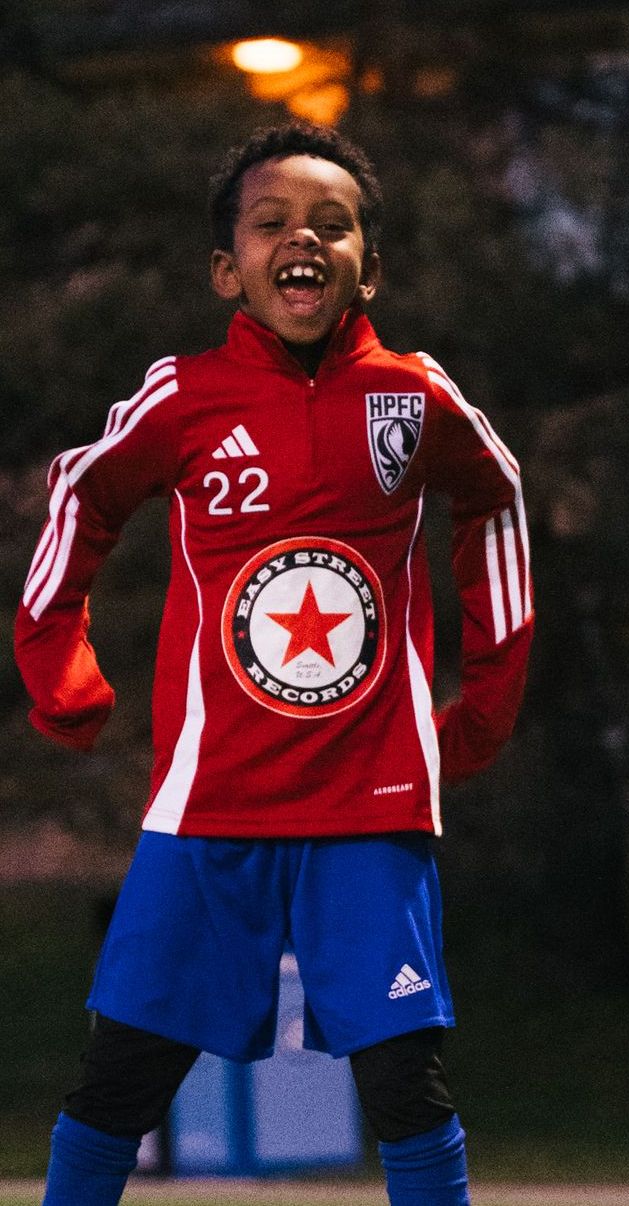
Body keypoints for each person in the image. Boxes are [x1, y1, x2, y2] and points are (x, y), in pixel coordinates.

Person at [14, 121, 533, 1206]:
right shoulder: (183, 398)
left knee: (406, 1083)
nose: (303, 240)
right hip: (210, 803)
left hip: (372, 802)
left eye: (331, 225)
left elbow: (496, 500)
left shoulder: (414, 396)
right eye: (272, 224)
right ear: (227, 269)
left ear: (367, 268)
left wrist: (485, 700)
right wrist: (59, 667)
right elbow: (79, 496)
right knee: (120, 1077)